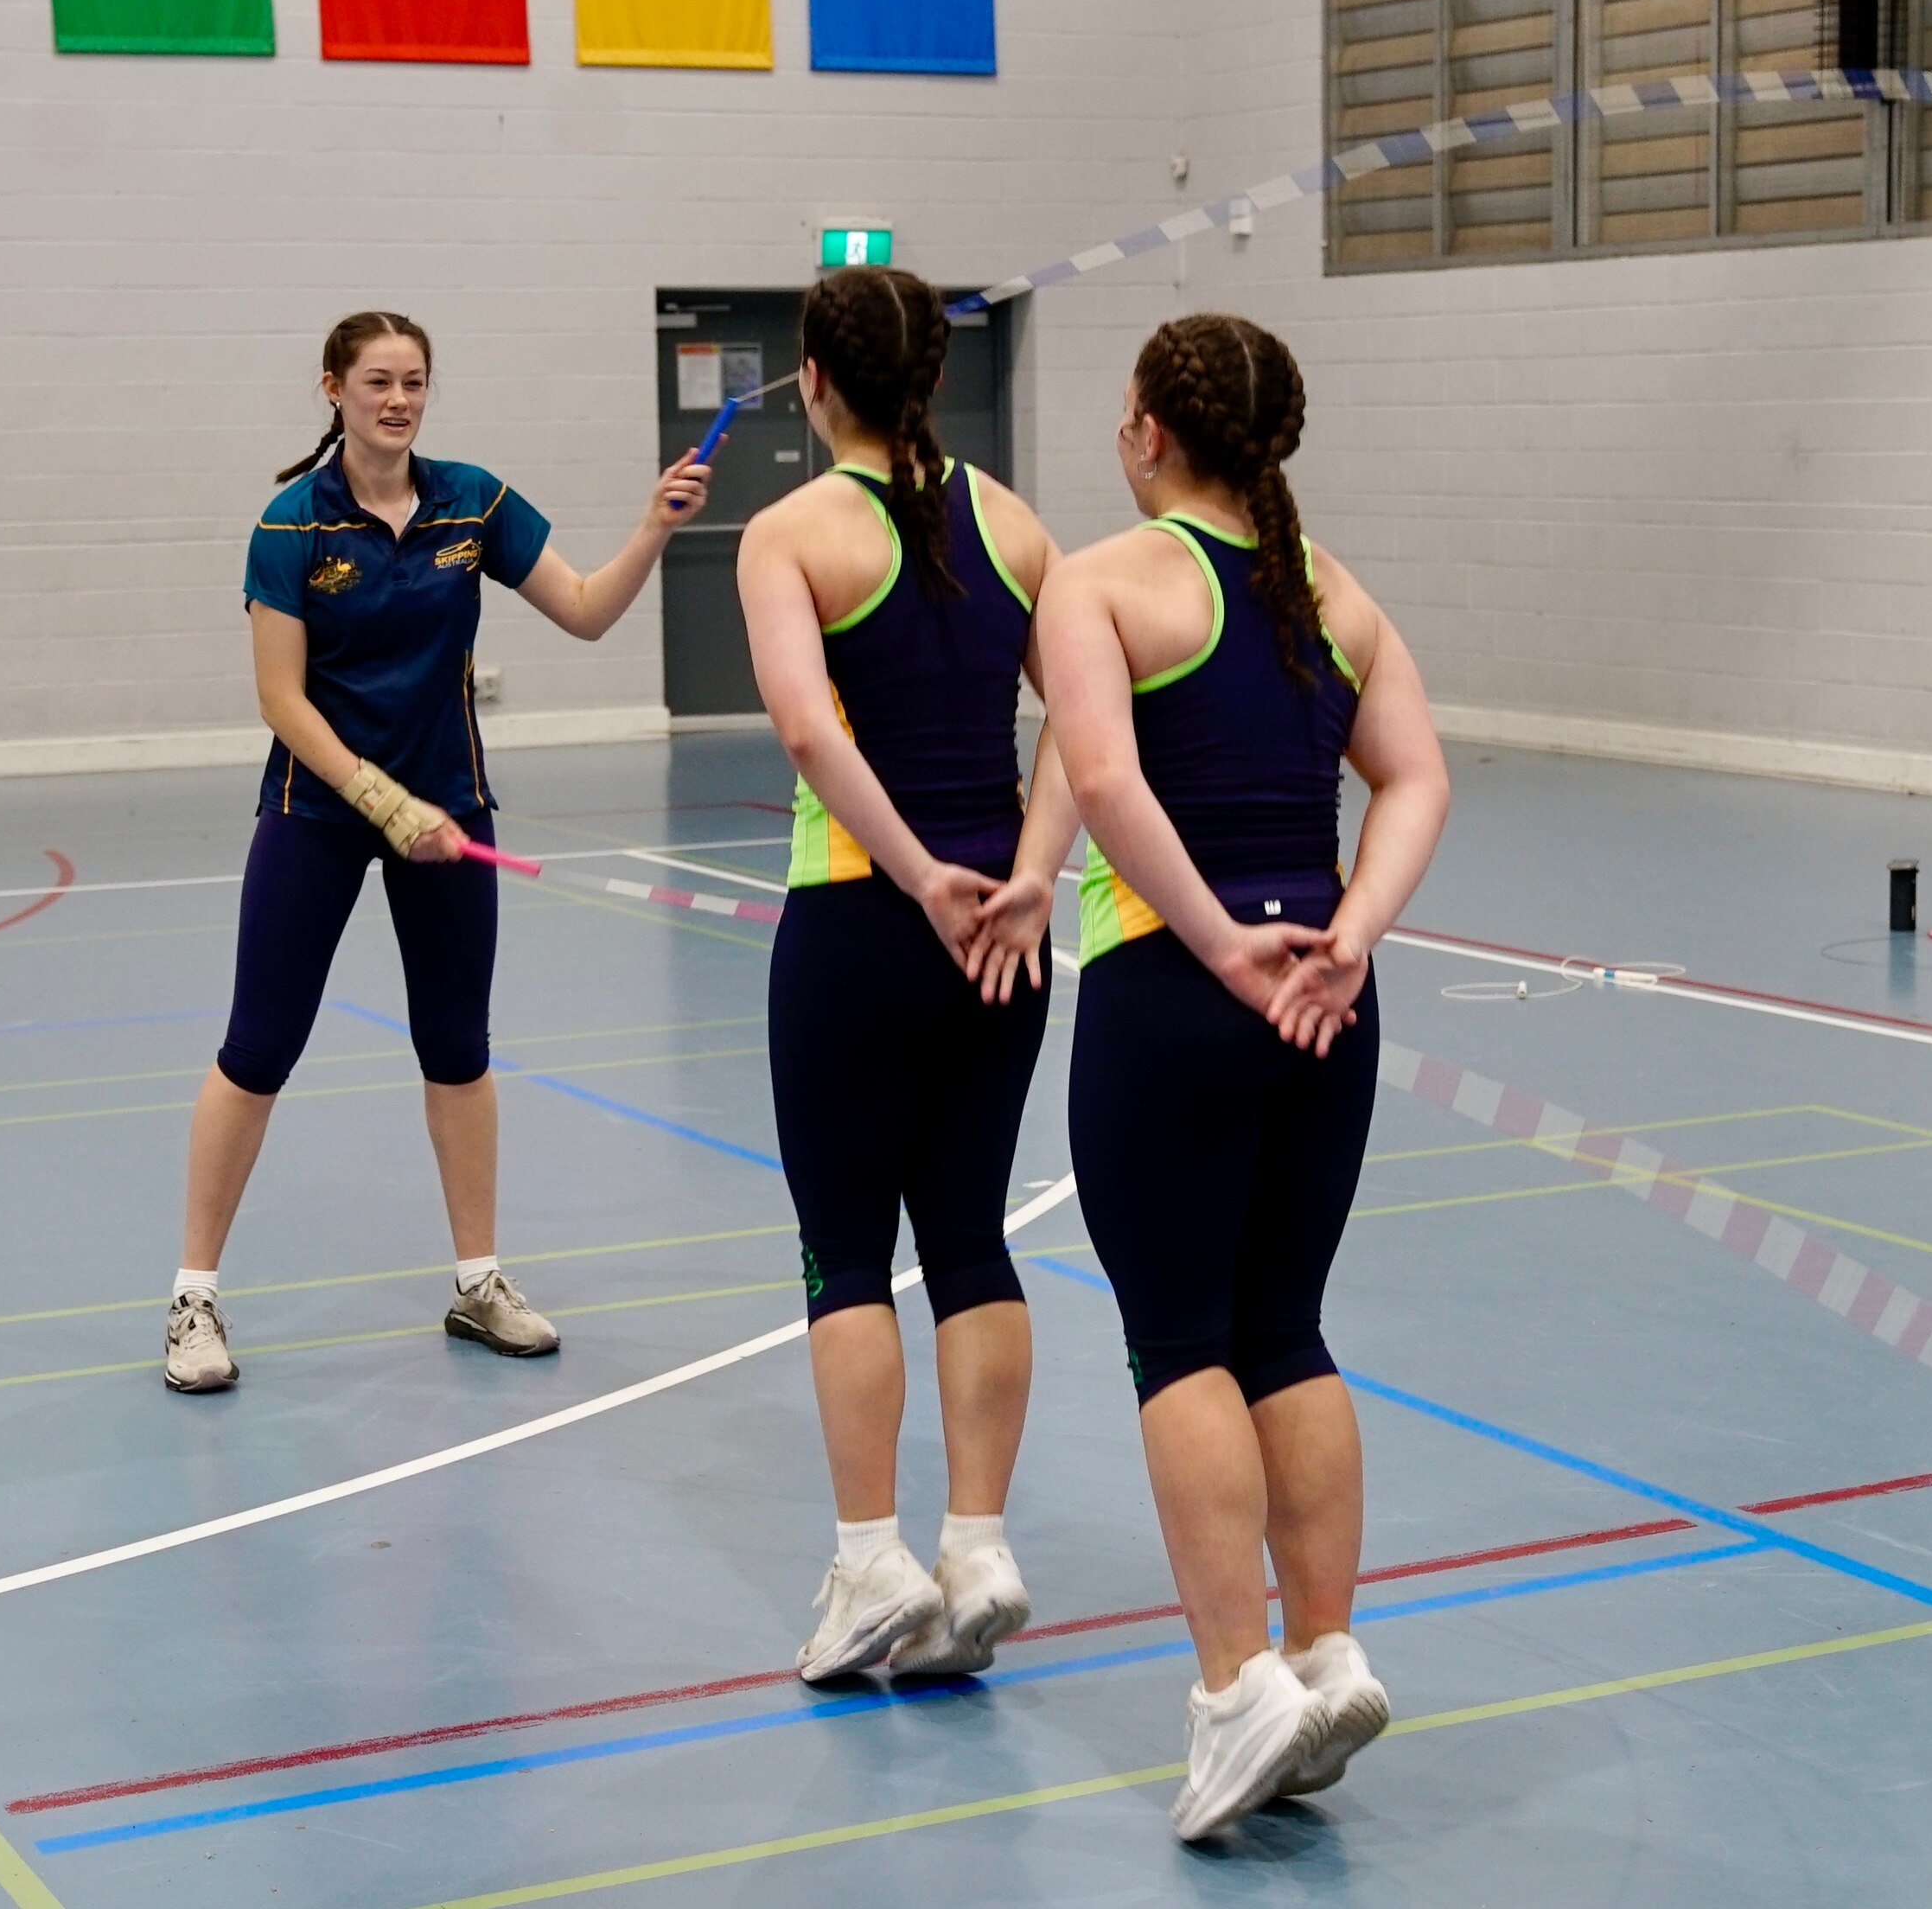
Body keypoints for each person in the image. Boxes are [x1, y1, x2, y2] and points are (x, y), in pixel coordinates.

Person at [1039, 313, 1449, 1842]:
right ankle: (1324, 1650)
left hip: (1179, 993)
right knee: (1284, 1326)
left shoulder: (1103, 583)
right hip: (1326, 1008)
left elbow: (1099, 782)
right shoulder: (1332, 592)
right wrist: (1343, 935)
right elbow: (1415, 776)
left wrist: (1216, 944)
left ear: (1148, 425)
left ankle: (1235, 1687)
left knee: (1177, 1342)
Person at [162, 310, 712, 1393]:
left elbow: (589, 610)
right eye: (377, 380)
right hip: (318, 809)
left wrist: (652, 526)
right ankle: (193, 1297)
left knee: (458, 1047)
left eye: (415, 381)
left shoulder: (474, 501)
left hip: (450, 809)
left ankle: (480, 1282)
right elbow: (281, 697)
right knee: (258, 1045)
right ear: (333, 389)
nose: (399, 399)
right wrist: (377, 799)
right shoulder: (289, 527)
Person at [734, 266, 1074, 1682]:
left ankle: (871, 1560)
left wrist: (916, 872)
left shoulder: (789, 531)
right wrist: (1028, 873)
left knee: (841, 1251)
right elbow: (1081, 730)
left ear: (815, 378)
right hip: (1003, 942)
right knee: (971, 1236)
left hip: (864, 924)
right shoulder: (1016, 526)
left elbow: (812, 736)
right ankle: (977, 1544)